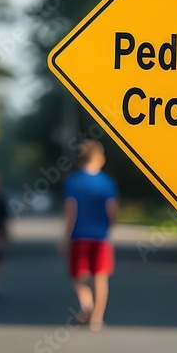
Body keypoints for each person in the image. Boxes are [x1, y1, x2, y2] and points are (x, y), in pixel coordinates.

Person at [60, 140, 118, 332]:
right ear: (100, 159)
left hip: (79, 235)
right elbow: (112, 211)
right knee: (101, 278)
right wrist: (110, 227)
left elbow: (71, 210)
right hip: (101, 236)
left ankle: (86, 303)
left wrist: (65, 235)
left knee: (77, 276)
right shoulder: (107, 182)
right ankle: (97, 319)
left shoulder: (73, 181)